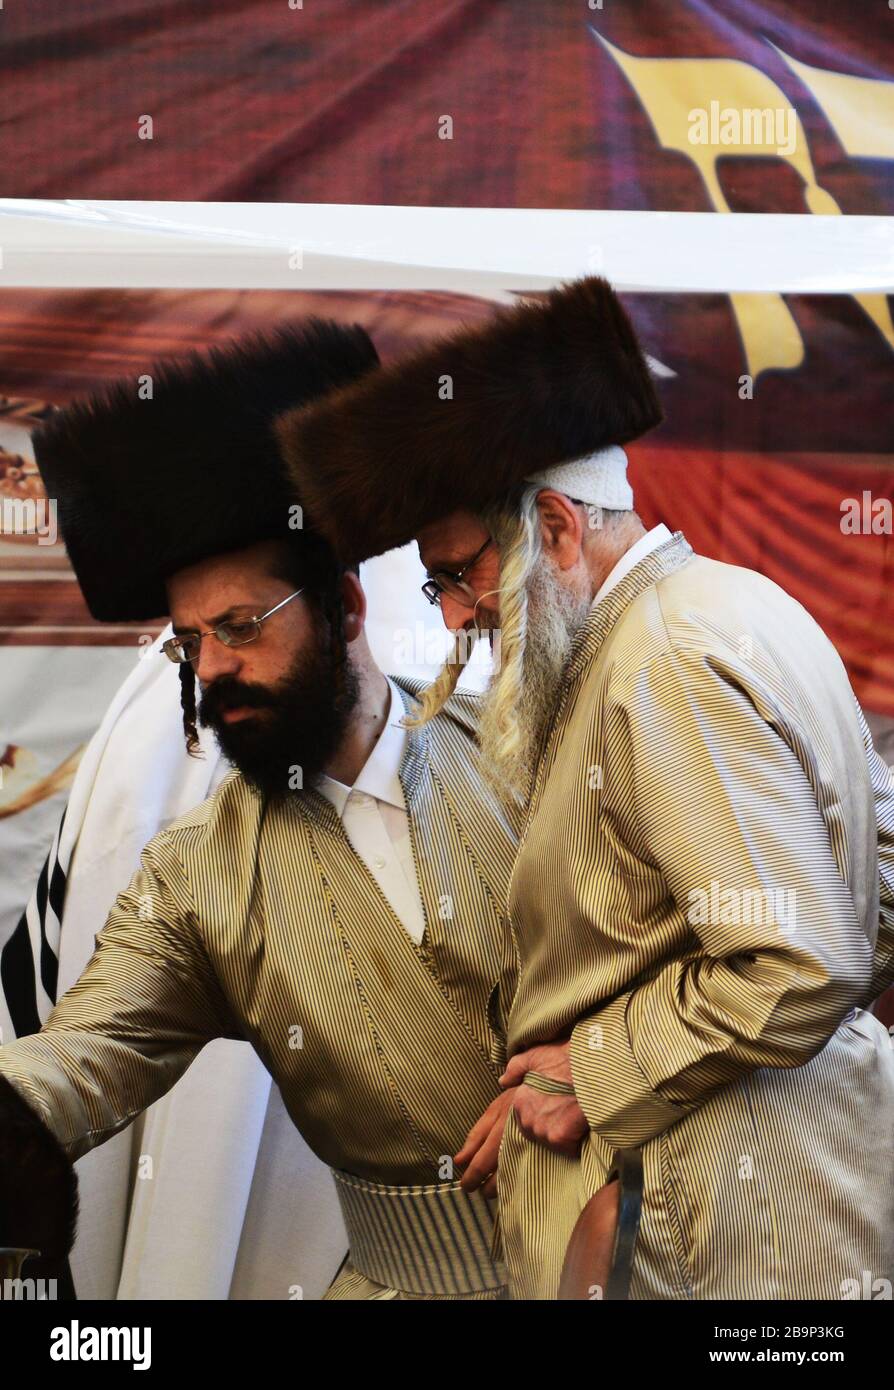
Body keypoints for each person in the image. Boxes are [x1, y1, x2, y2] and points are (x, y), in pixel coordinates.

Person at [277, 275, 894, 1300]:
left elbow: (797, 963)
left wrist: (595, 1072)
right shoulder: (726, 606)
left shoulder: (661, 666)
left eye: (459, 572)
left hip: (730, 1236)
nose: (460, 614)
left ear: (556, 528)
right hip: (786, 1198)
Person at [0, 319, 520, 1301]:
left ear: (349, 613)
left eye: (242, 627)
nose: (215, 671)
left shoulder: (533, 750)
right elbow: (87, 1053)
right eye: (193, 641)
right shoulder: (201, 873)